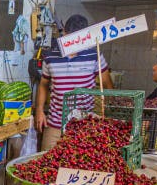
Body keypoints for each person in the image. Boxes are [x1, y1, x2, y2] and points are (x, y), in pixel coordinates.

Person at [34, 14, 114, 151]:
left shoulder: (94, 55)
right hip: (55, 125)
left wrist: (107, 112)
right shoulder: (50, 56)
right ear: (64, 32)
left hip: (84, 126)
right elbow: (43, 84)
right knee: (46, 163)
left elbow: (107, 85)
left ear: (84, 37)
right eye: (69, 37)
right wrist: (39, 110)